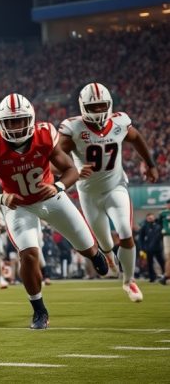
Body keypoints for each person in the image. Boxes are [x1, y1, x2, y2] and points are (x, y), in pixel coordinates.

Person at [0, 93, 108, 329]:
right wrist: (1, 197)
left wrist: (57, 186)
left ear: (31, 119)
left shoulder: (44, 135)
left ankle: (95, 254)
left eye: (20, 120)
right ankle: (39, 310)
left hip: (52, 197)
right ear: (0, 123)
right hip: (19, 206)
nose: (15, 127)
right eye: (10, 122)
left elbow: (71, 170)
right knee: (29, 255)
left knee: (87, 247)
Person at [59, 82, 159, 301]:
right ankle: (109, 256)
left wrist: (150, 164)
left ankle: (129, 281)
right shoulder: (73, 128)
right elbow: (53, 158)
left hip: (115, 188)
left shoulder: (119, 121)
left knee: (125, 231)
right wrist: (74, 169)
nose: (98, 110)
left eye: (101, 105)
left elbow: (137, 138)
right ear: (83, 106)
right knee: (104, 244)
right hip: (88, 194)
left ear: (109, 104)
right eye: (93, 107)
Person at [138, 213, 166, 284]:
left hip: (157, 248)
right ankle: (152, 277)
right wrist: (141, 248)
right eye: (149, 218)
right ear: (147, 219)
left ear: (154, 218)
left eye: (151, 218)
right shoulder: (144, 227)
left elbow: (159, 237)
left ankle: (165, 276)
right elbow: (140, 238)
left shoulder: (158, 226)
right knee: (150, 264)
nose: (150, 219)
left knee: (162, 262)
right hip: (148, 248)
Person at [160, 200, 170, 283]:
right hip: (167, 236)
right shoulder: (163, 213)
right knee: (168, 256)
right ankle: (166, 275)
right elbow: (159, 224)